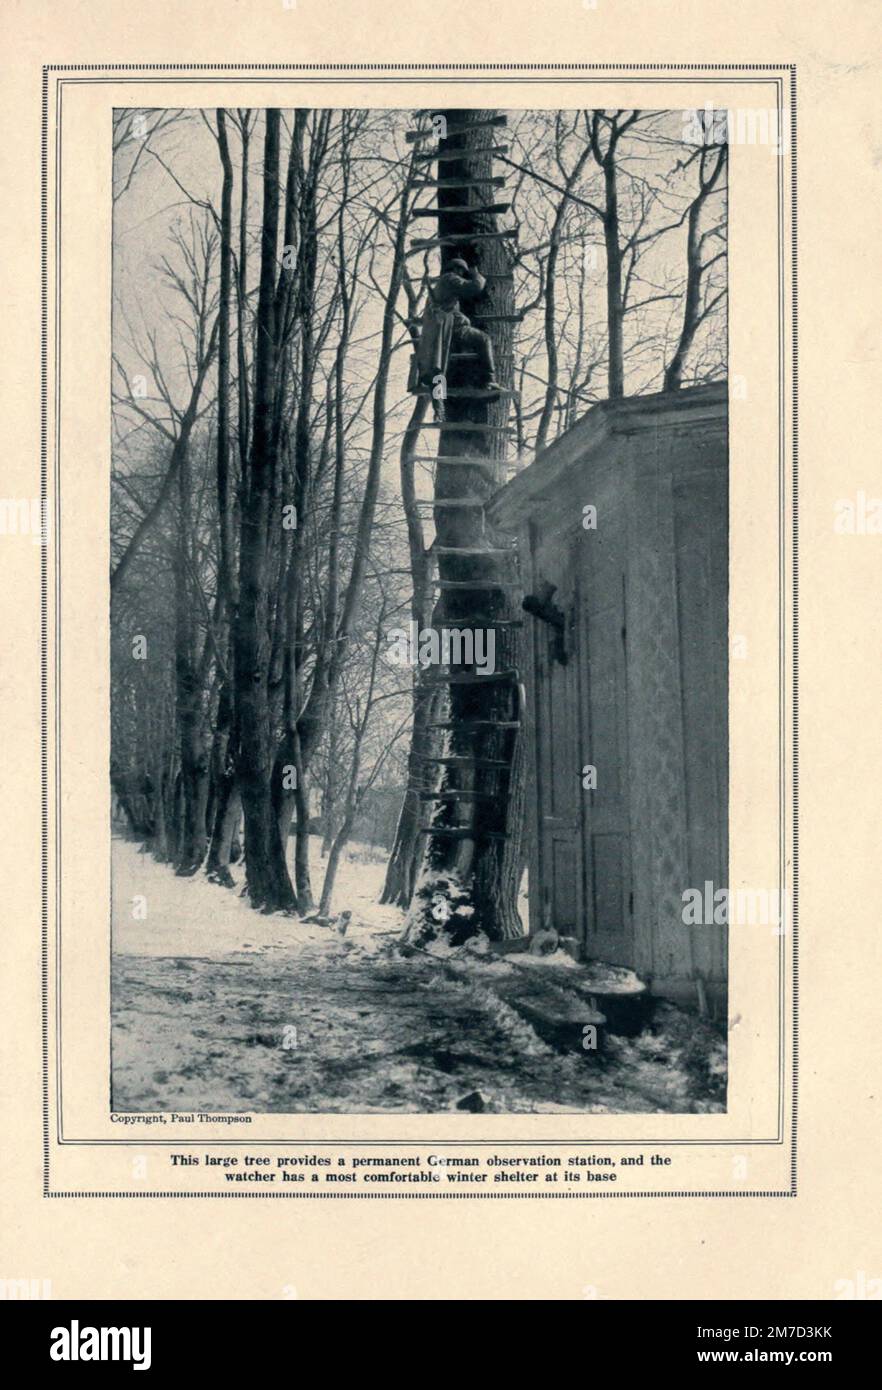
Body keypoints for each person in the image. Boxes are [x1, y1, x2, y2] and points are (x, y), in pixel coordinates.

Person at [412, 258, 502, 397]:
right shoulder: (450, 279)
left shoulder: (440, 286)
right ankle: (490, 379)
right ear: (456, 269)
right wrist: (476, 275)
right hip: (452, 328)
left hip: (443, 330)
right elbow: (473, 287)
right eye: (461, 271)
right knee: (484, 339)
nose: (462, 274)